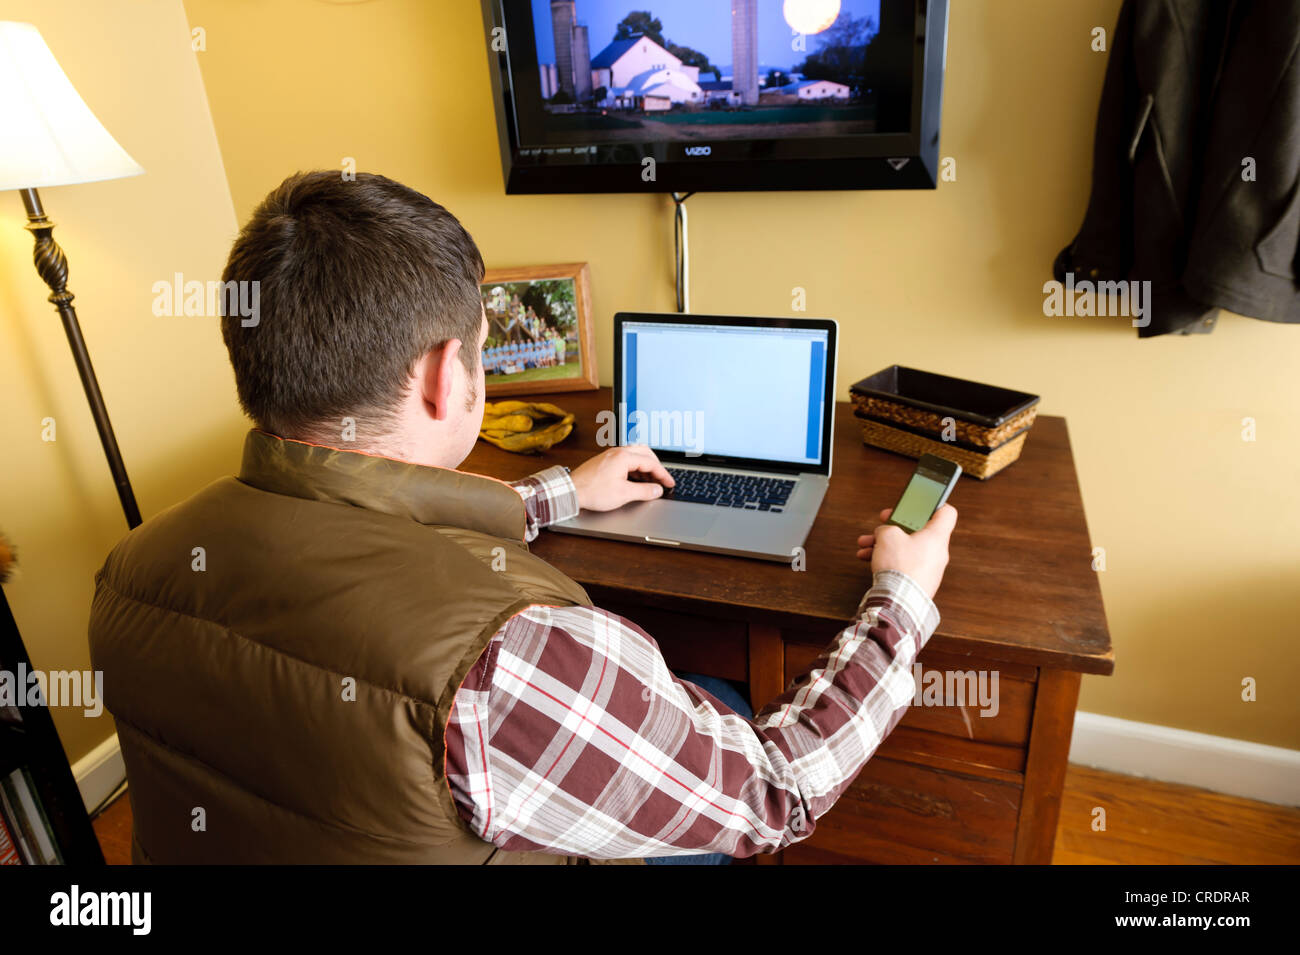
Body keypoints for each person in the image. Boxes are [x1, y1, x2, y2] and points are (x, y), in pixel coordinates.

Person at [87, 171, 956, 865]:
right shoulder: (523, 657)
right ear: (444, 375)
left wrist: (563, 493)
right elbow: (774, 794)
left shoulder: (135, 567)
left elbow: (361, 521)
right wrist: (899, 605)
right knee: (726, 699)